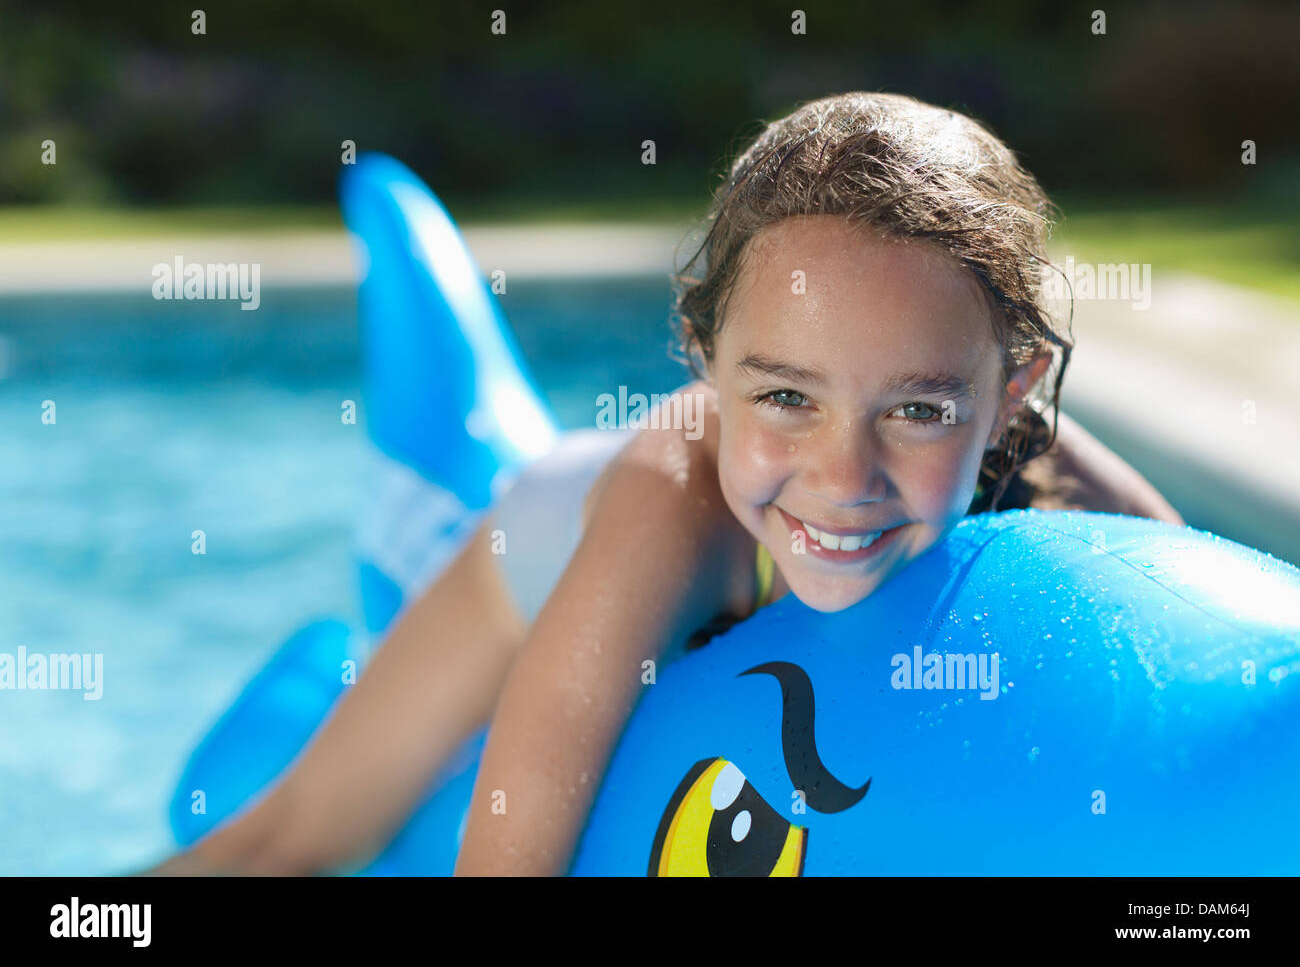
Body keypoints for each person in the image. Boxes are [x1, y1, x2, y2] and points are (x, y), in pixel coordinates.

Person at [147, 91, 1180, 876]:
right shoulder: (672, 509)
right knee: (290, 837)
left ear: (1013, 392)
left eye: (917, 409)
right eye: (784, 396)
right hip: (537, 567)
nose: (840, 477)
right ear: (703, 359)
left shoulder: (1087, 506)